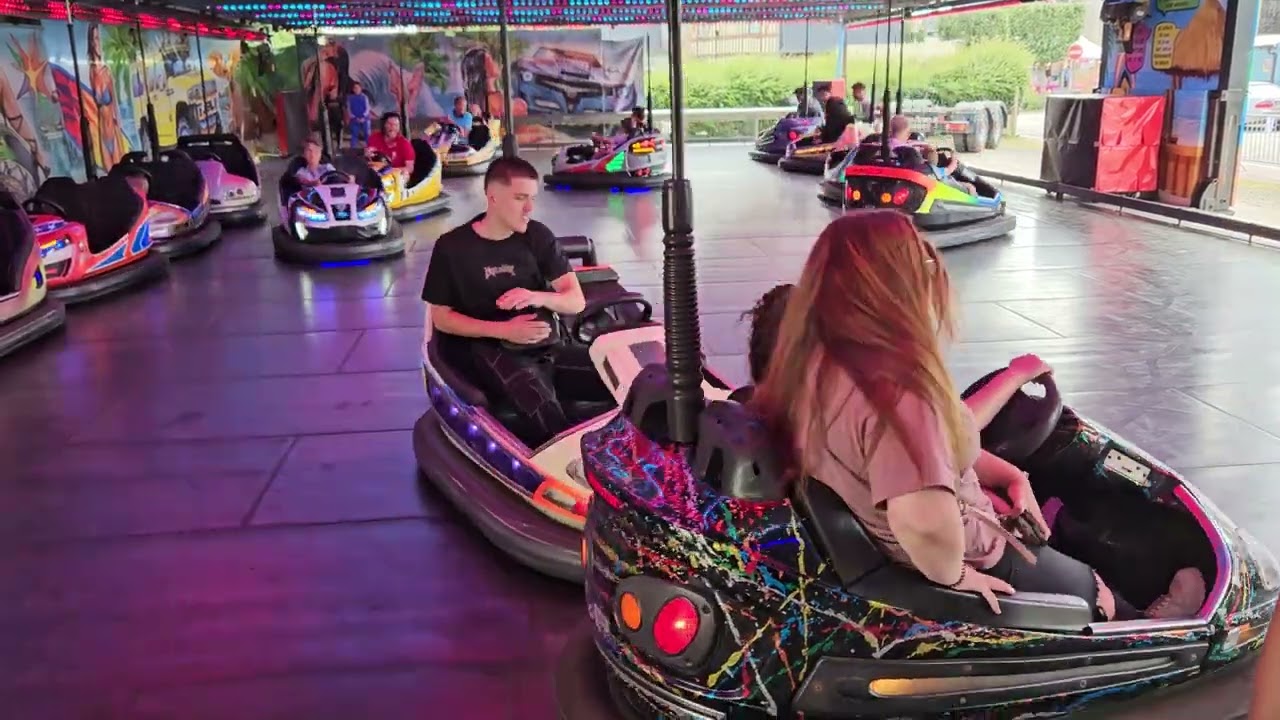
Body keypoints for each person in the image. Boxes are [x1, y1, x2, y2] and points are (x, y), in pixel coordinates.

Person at [752, 211, 1207, 620]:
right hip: (965, 555)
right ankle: (1142, 621)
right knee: (1093, 590)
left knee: (1049, 539)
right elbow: (923, 524)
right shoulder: (896, 392)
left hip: (894, 539)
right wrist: (954, 577)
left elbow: (922, 453)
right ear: (897, 286)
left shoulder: (812, 368)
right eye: (924, 265)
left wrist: (1011, 471)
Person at [420, 157, 613, 448]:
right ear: (493, 197)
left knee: (623, 382)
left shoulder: (537, 236)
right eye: (520, 198)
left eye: (532, 198)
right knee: (545, 413)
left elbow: (575, 301)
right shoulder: (452, 247)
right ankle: (570, 463)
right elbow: (441, 318)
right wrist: (505, 331)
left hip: (548, 346)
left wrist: (536, 296)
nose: (529, 208)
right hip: (491, 351)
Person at [346, 82, 372, 149]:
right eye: (355, 88)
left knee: (367, 134)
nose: (356, 89)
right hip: (354, 119)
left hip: (365, 119)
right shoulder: (350, 98)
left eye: (358, 88)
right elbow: (349, 110)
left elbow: (367, 108)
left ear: (360, 89)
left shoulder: (364, 97)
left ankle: (370, 149)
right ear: (353, 89)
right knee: (354, 134)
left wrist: (363, 117)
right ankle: (352, 150)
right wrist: (355, 117)